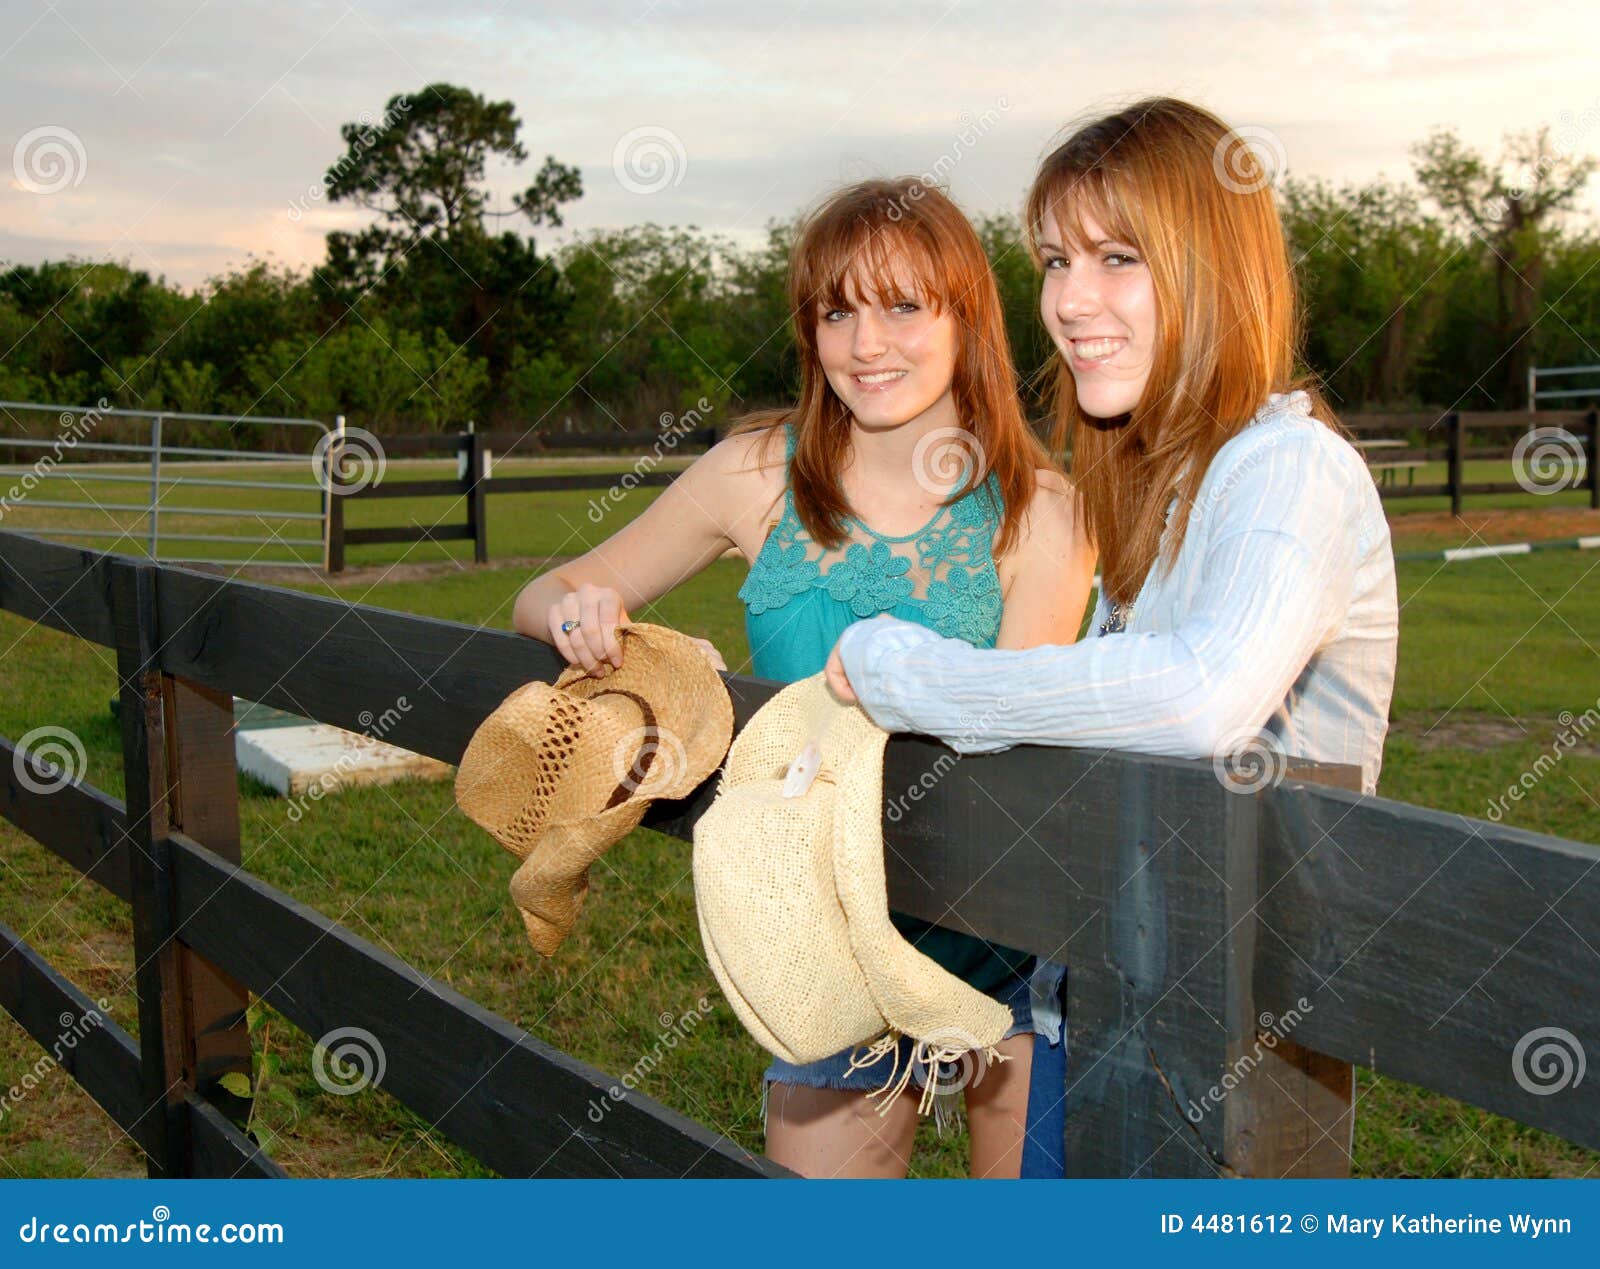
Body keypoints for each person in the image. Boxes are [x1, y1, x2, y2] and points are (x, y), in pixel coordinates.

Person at [824, 99, 1401, 1178]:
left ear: (1214, 269)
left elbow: (1196, 698)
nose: (1067, 302)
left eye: (1116, 258)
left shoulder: (1289, 468)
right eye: (1052, 260)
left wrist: (910, 673)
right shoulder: (1162, 487)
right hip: (1116, 998)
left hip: (1233, 1057)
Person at [511, 176, 1096, 1177]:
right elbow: (549, 587)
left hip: (1005, 939)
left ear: (966, 317)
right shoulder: (753, 472)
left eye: (903, 305)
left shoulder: (1040, 511)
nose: (866, 344)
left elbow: (1014, 754)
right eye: (837, 311)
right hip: (816, 941)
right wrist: (578, 611)